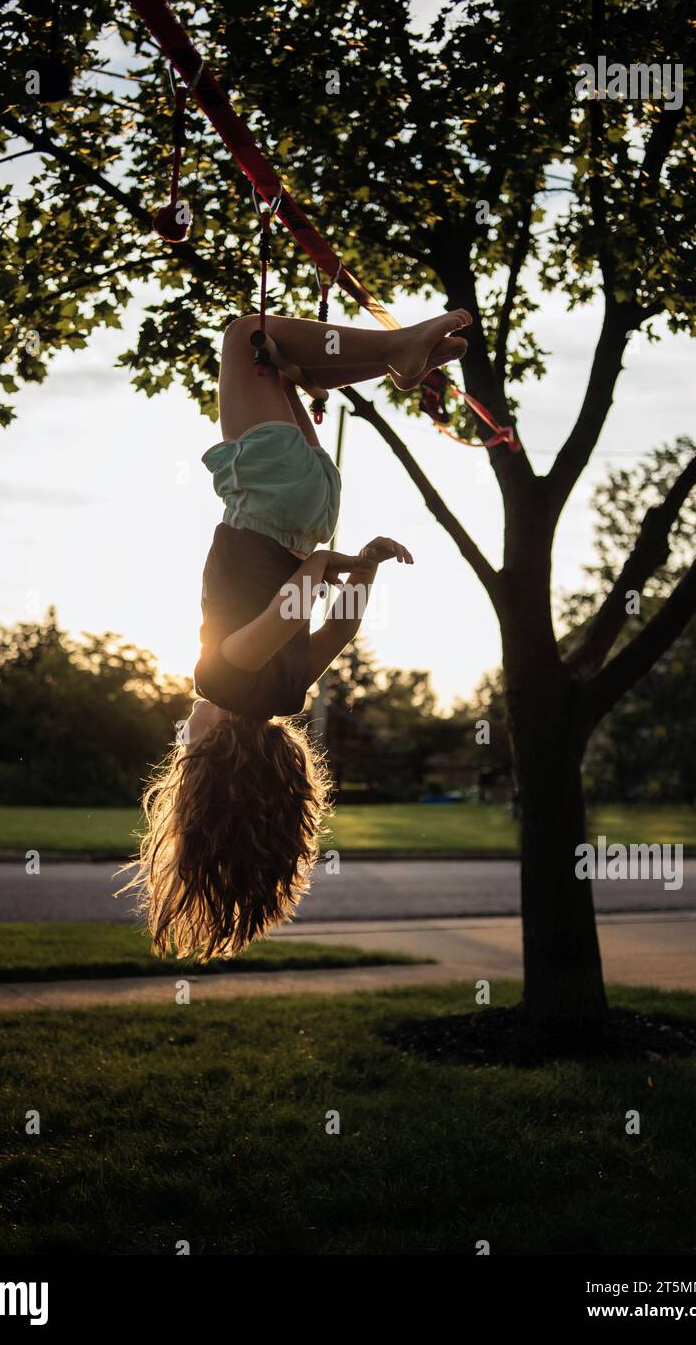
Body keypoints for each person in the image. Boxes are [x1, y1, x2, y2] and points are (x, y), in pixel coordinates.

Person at [123, 308, 471, 960]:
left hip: (314, 505)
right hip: (269, 499)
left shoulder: (287, 694)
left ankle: (397, 358)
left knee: (286, 366)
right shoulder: (224, 680)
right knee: (241, 334)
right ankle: (398, 350)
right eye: (187, 752)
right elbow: (291, 607)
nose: (181, 738)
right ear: (210, 755)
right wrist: (323, 568)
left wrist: (364, 563)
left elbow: (339, 624)